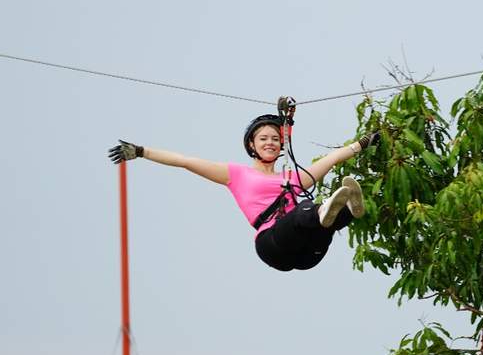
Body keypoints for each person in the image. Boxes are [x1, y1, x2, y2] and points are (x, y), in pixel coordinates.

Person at [107, 111, 379, 272]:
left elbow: (332, 159)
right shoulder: (237, 175)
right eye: (264, 139)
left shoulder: (293, 177)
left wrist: (364, 142)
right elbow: (185, 161)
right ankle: (328, 211)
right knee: (306, 210)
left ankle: (344, 211)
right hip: (272, 244)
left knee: (322, 221)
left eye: (275, 139)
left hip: (307, 256)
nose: (270, 143)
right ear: (252, 144)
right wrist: (142, 152)